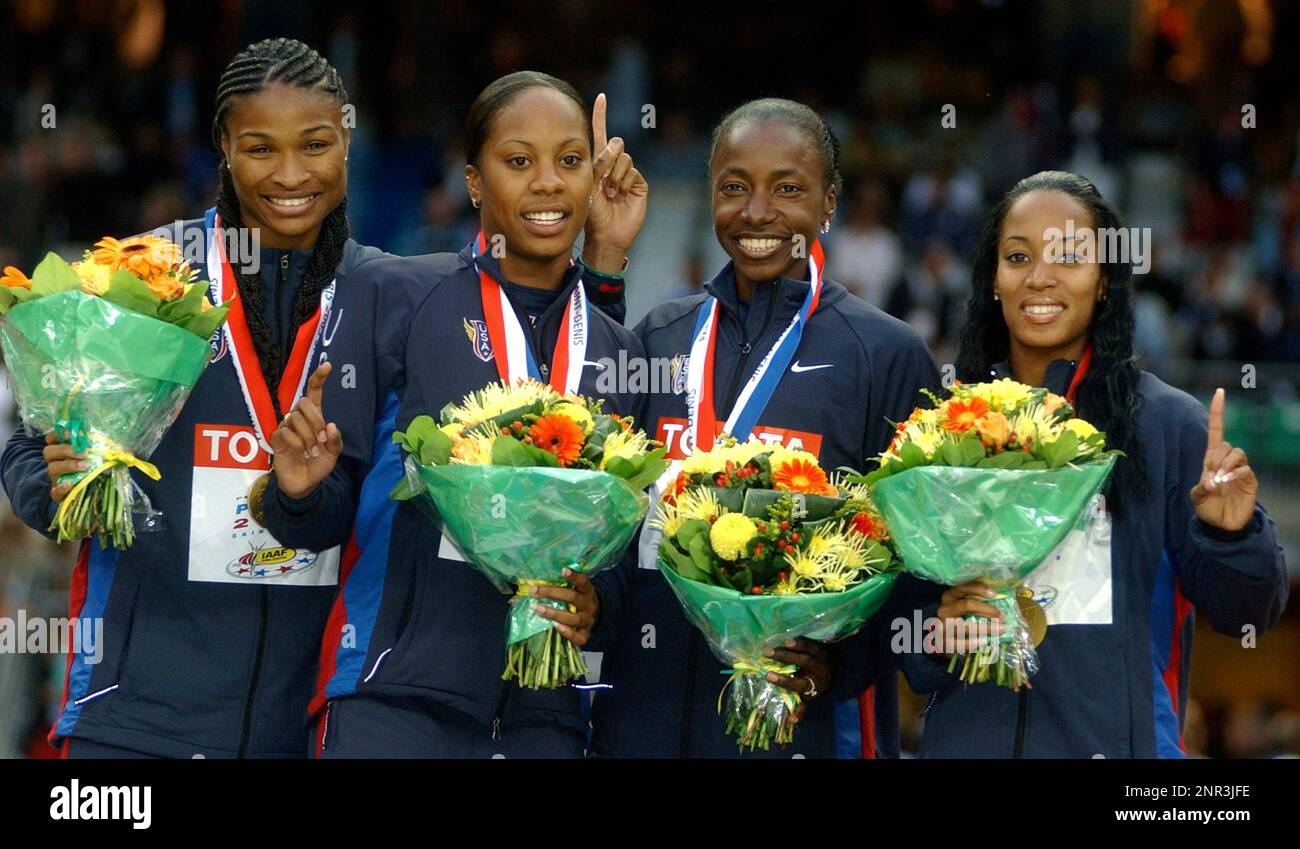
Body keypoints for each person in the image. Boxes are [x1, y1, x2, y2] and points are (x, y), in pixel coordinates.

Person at [1, 38, 387, 758]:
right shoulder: (145, 273)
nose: (291, 174)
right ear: (223, 147)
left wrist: (303, 494)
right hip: (133, 727)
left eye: (316, 144)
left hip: (304, 729)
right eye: (260, 148)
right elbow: (29, 440)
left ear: (347, 141)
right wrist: (52, 485)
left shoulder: (386, 298)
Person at [261, 71, 648, 757]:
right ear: (474, 183)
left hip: (545, 719)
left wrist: (600, 605)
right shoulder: (395, 294)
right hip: (396, 702)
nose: (548, 182)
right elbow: (320, 519)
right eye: (518, 161)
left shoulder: (616, 346)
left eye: (569, 160)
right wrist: (299, 487)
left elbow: (618, 545)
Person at [589, 99, 940, 758]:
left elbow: (921, 578)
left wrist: (839, 666)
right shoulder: (660, 336)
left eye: (788, 188)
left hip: (807, 731)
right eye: (734, 187)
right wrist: (602, 262)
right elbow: (598, 515)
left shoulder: (886, 354)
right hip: (641, 723)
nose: (756, 212)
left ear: (829, 203)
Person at [898, 170, 1288, 757]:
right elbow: (904, 642)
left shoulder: (1167, 425)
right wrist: (938, 629)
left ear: (1104, 280)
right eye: (1017, 256)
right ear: (994, 281)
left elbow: (1246, 613)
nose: (1040, 277)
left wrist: (1232, 535)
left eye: (1069, 257)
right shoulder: (942, 432)